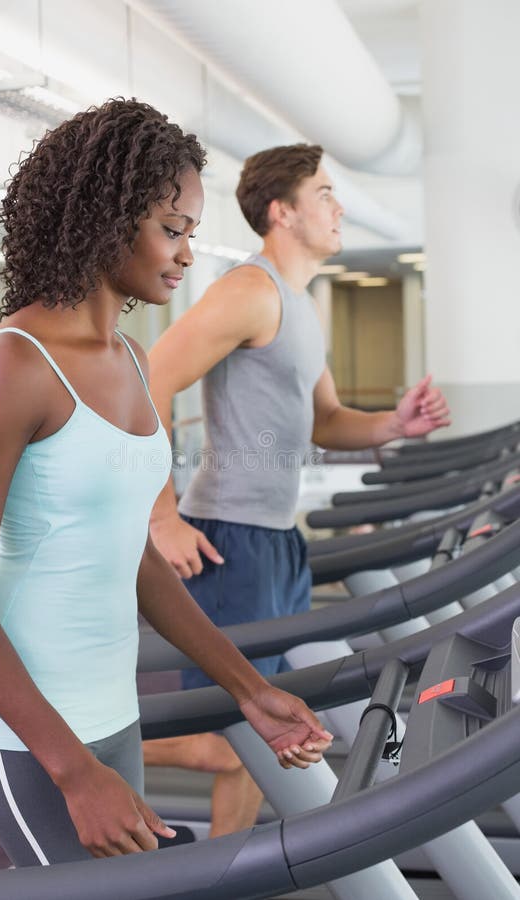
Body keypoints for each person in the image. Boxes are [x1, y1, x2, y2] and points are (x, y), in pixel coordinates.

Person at [0, 103, 334, 867]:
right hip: (22, 732)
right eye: (172, 229)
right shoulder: (15, 364)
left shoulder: (134, 361)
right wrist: (76, 771)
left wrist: (248, 689)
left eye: (190, 232)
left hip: (111, 713)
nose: (185, 254)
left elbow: (137, 559)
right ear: (107, 220)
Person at [144, 143, 451, 836]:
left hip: (279, 542)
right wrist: (160, 516)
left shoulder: (299, 304)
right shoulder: (249, 291)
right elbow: (152, 377)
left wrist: (396, 424)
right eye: (324, 192)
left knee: (266, 734)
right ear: (282, 212)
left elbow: (329, 421)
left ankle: (225, 873)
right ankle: (59, 750)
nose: (338, 206)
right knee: (229, 739)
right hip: (231, 540)